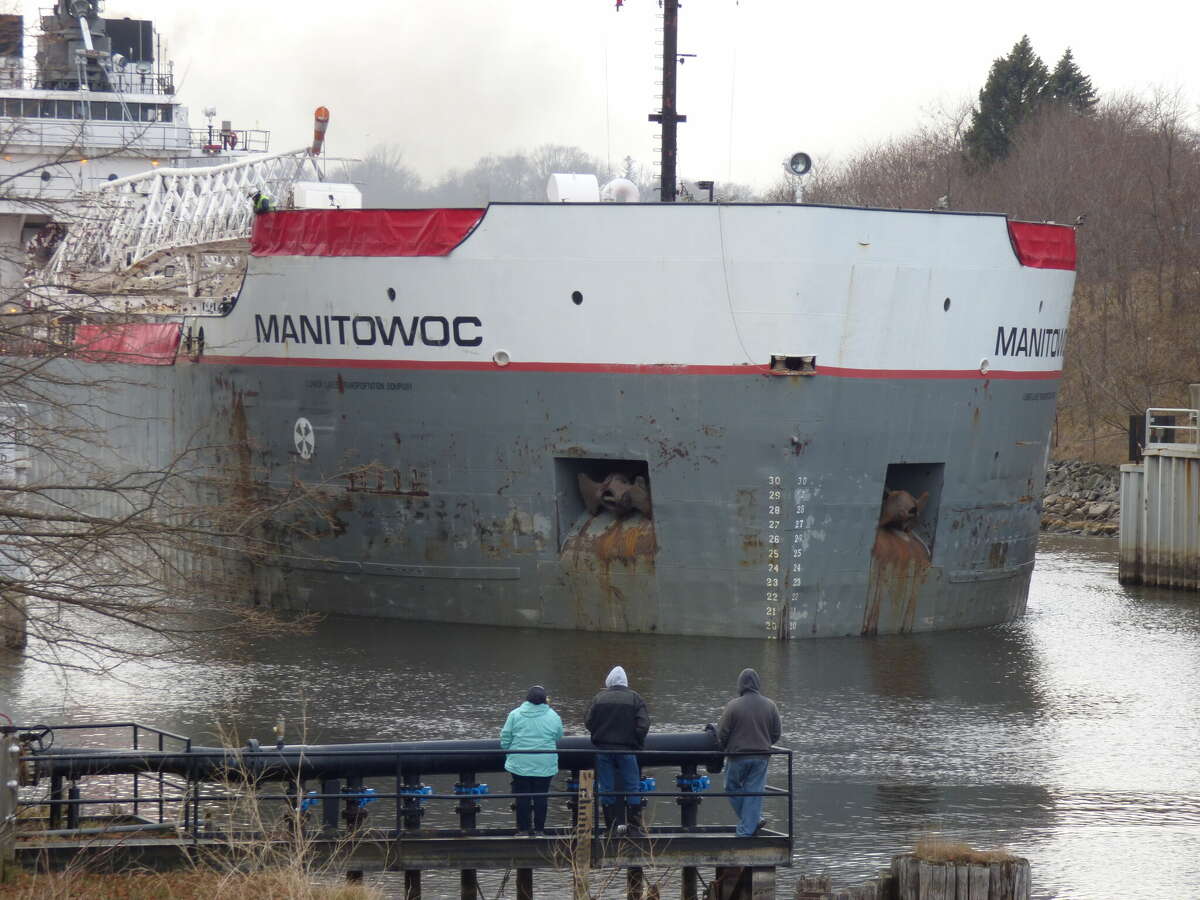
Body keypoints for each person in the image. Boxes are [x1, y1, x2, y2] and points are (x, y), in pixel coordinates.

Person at [716, 668, 782, 837]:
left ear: (740, 685)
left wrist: (725, 748)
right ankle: (753, 820)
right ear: (758, 684)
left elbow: (722, 733)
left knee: (731, 786)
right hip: (761, 757)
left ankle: (745, 832)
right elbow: (776, 733)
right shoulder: (770, 705)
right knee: (754, 792)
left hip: (737, 756)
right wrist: (765, 743)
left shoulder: (733, 706)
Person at [585, 665, 649, 834]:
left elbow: (589, 722)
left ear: (609, 681)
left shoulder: (599, 698)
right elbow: (643, 725)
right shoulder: (635, 698)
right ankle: (634, 827)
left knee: (606, 788)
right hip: (626, 749)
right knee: (632, 786)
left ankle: (611, 828)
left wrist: (598, 735)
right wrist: (636, 742)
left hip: (603, 749)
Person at [499, 684, 563, 836]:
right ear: (545, 700)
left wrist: (509, 752)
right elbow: (558, 736)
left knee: (523, 797)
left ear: (527, 699)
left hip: (520, 762)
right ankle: (539, 830)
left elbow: (505, 737)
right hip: (545, 763)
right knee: (541, 797)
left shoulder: (515, 714)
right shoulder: (553, 716)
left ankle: (523, 830)